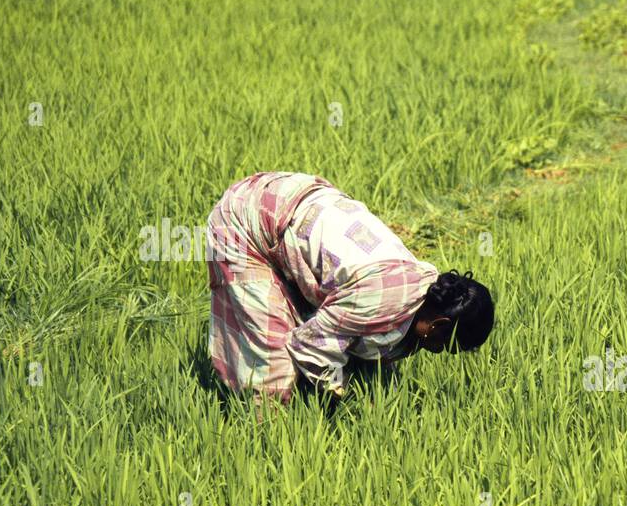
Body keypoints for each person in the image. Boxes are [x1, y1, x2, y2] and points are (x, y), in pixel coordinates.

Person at [205, 172, 493, 402]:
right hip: (246, 220)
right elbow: (311, 344)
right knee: (272, 365)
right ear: (439, 323)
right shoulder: (381, 297)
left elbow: (362, 336)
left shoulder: (419, 284)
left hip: (294, 203)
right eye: (444, 346)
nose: (436, 351)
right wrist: (338, 399)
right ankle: (265, 443)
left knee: (328, 336)